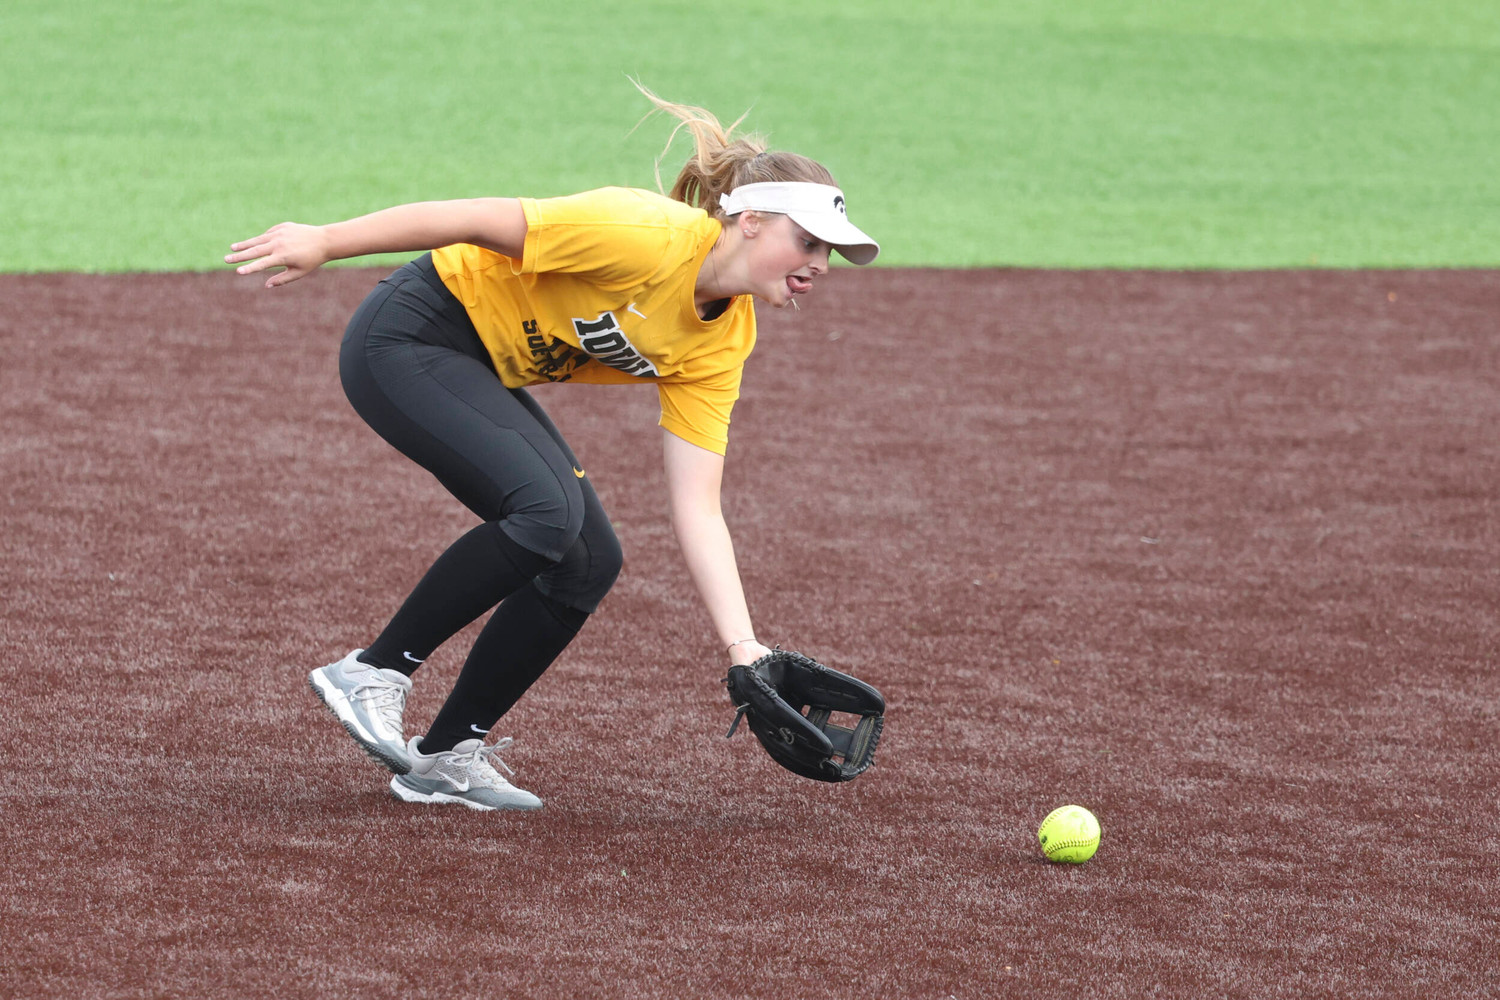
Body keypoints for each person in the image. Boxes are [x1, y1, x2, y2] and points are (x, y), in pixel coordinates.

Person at [225, 86, 879, 812]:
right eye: (808, 241)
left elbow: (699, 506)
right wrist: (326, 240)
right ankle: (374, 671)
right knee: (546, 511)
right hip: (410, 335)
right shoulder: (647, 235)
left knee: (588, 560)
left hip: (475, 366)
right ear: (749, 221)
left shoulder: (724, 341)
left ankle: (444, 756)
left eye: (831, 251)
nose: (822, 263)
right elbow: (474, 217)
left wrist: (744, 648)